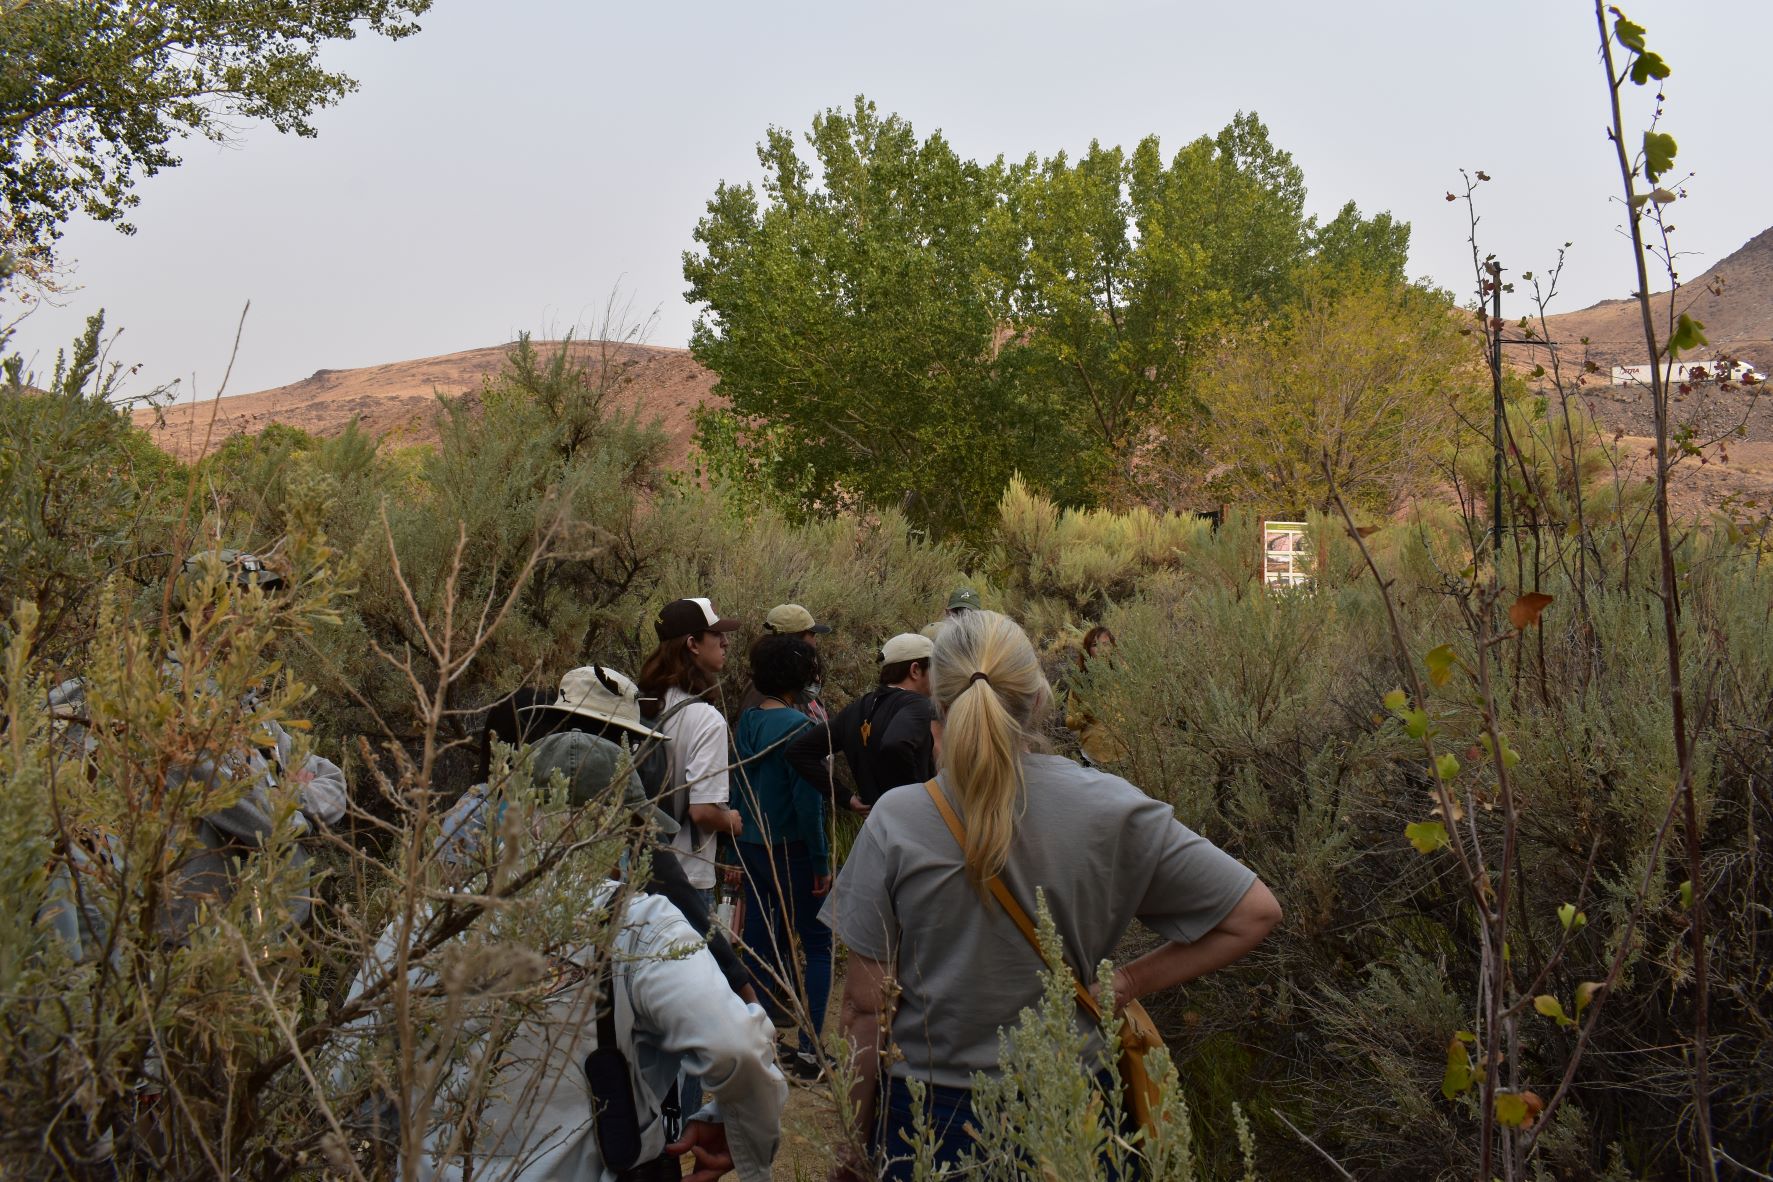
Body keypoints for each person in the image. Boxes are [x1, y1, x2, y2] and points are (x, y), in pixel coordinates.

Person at [819, 610, 1281, 1179]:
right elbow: (1254, 913)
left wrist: (852, 1143)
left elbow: (864, 1009)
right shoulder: (1114, 808)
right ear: (1039, 699)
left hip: (927, 1120)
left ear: (936, 702)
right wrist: (1128, 983)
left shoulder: (896, 819)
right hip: (1079, 1113)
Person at [344, 734, 789, 1182]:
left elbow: (346, 1065)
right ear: (609, 826)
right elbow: (737, 1048)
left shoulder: (428, 919)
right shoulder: (638, 924)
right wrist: (742, 1135)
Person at [731, 634, 833, 1084]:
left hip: (752, 844)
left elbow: (736, 786)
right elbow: (808, 804)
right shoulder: (801, 727)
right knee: (817, 942)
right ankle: (811, 1052)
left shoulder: (746, 721)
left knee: (758, 937)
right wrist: (822, 860)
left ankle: (758, 1042)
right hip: (791, 848)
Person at [635, 598, 744, 908]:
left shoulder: (637, 703)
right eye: (717, 635)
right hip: (687, 876)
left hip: (636, 868)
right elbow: (703, 812)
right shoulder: (706, 719)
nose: (726, 643)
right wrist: (732, 821)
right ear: (693, 644)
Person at [786, 632, 940, 816]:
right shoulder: (917, 704)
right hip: (912, 824)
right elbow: (895, 744)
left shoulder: (856, 709)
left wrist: (846, 798)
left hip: (874, 827)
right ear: (915, 670)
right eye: (935, 669)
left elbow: (799, 751)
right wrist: (918, 797)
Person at [739, 603, 832, 720]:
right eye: (812, 635)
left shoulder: (801, 681)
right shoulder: (763, 689)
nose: (815, 642)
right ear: (794, 642)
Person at [1065, 625, 1128, 767]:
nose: (1100, 649)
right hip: (1094, 757)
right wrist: (1085, 713)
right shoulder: (1080, 679)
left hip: (1126, 756)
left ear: (1112, 647)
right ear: (1087, 650)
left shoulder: (1125, 675)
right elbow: (1069, 722)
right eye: (1094, 645)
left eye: (1105, 644)